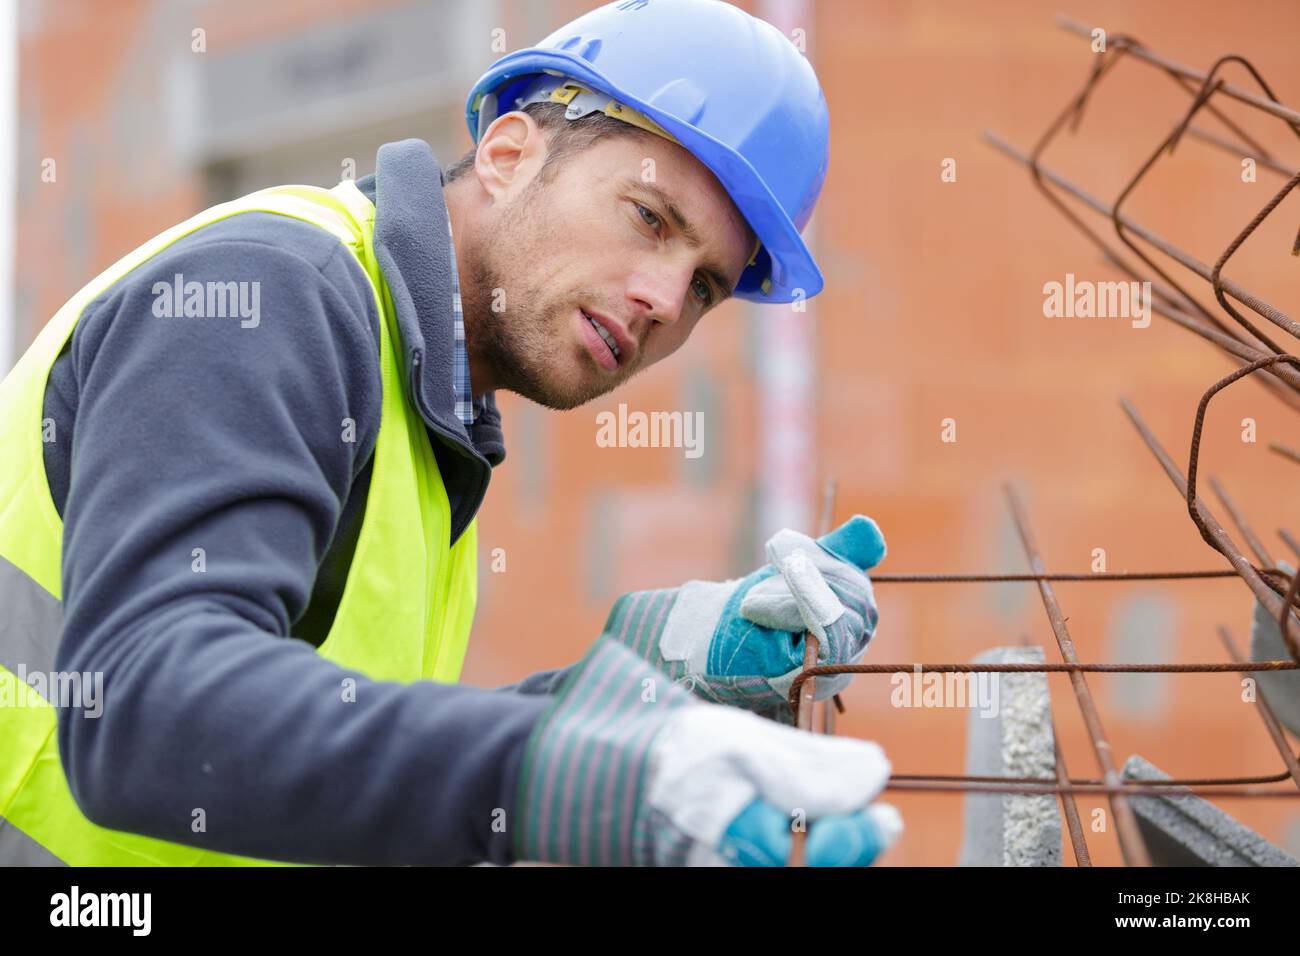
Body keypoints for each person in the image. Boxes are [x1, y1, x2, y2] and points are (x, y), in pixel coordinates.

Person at [0, 0, 899, 867]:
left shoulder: (433, 414)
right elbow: (144, 710)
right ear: (508, 153)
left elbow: (332, 753)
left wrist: (656, 684)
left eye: (705, 285)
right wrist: (556, 766)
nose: (665, 301)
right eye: (649, 217)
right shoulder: (271, 294)